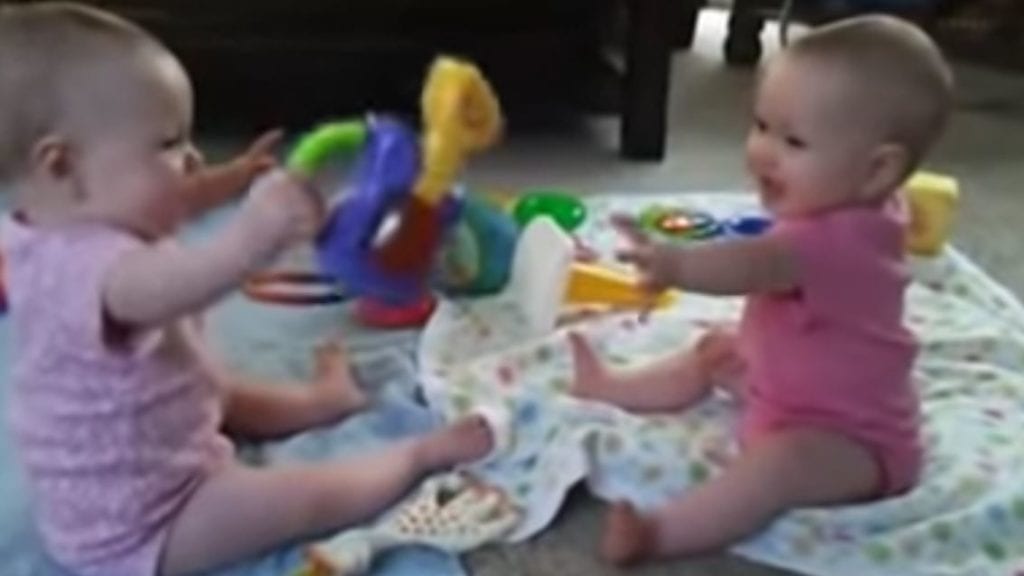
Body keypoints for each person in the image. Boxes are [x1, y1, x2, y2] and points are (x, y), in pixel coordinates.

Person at [0, 3, 495, 575]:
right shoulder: (89, 272)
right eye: (167, 143)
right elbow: (188, 282)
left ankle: (320, 405)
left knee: (220, 388)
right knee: (300, 500)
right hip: (149, 523)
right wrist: (256, 233)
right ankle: (416, 456)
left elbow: (170, 199)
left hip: (150, 418)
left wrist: (226, 182)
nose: (189, 159)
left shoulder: (46, 220)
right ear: (60, 165)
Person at [568, 14, 953, 565]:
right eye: (761, 125)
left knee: (776, 469)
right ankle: (611, 387)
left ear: (876, 171)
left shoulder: (839, 241)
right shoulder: (857, 204)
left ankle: (661, 533)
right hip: (783, 388)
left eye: (793, 140)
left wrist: (677, 267)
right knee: (712, 351)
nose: (762, 152)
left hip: (850, 439)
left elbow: (753, 264)